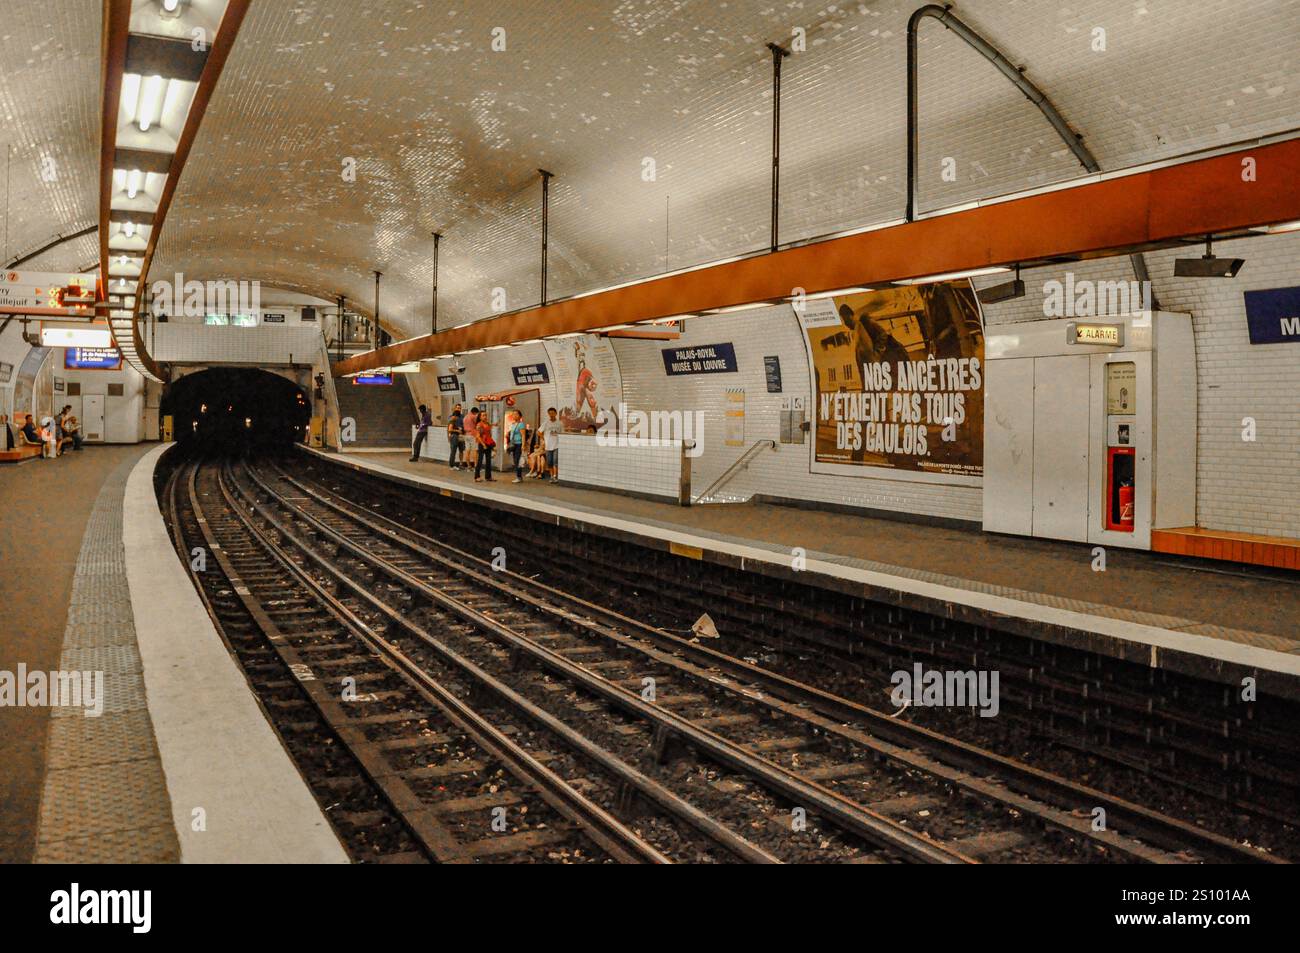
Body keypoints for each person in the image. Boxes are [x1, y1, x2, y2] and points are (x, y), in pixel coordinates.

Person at [540, 406, 563, 484]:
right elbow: (539, 432)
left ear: (556, 413)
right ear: (548, 414)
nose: (551, 415)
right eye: (550, 413)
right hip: (548, 445)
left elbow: (563, 433)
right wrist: (543, 439)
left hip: (557, 445)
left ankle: (555, 476)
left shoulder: (560, 423)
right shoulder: (546, 423)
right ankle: (551, 476)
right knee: (549, 462)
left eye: (553, 413)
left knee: (555, 462)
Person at [473, 410, 495, 482]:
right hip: (482, 443)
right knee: (480, 460)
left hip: (488, 443)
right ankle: (477, 476)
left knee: (488, 460)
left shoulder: (487, 424)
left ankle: (488, 477)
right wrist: (483, 444)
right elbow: (478, 436)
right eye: (483, 415)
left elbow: (489, 434)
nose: (485, 417)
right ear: (480, 417)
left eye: (485, 415)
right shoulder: (479, 425)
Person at [506, 410, 527, 483]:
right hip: (513, 444)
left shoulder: (521, 424)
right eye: (513, 414)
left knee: (517, 460)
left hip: (519, 444)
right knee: (515, 460)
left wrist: (523, 445)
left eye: (516, 414)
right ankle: (518, 476)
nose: (514, 415)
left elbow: (523, 435)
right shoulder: (513, 424)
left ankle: (519, 477)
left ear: (520, 416)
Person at [447, 403, 464, 469]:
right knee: (453, 450)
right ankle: (452, 464)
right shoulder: (451, 417)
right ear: (455, 408)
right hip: (454, 436)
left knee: (461, 450)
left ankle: (461, 463)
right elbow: (449, 429)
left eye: (460, 408)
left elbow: (463, 425)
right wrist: (449, 437)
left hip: (461, 435)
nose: (459, 409)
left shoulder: (462, 416)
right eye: (457, 408)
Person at [462, 406, 480, 472]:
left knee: (467, 451)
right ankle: (476, 467)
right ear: (475, 412)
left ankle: (469, 466)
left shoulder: (465, 417)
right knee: (475, 450)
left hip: (466, 435)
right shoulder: (473, 416)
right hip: (472, 434)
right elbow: (478, 424)